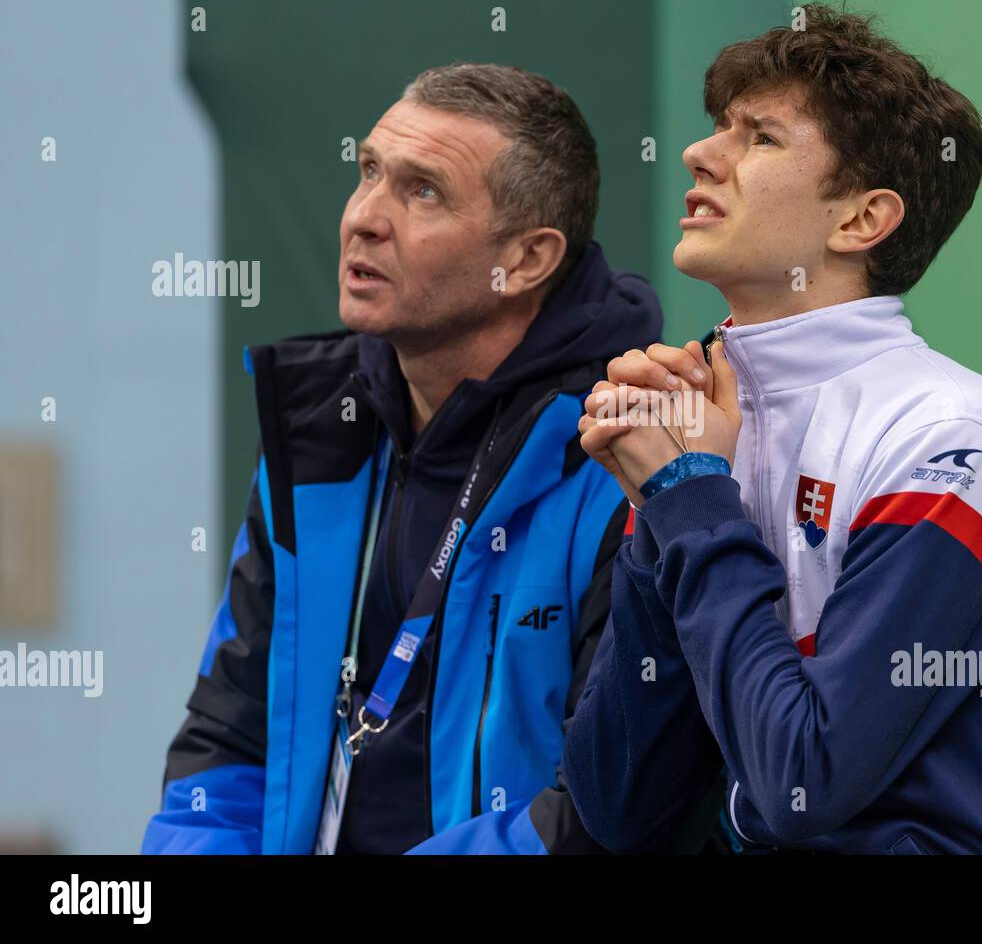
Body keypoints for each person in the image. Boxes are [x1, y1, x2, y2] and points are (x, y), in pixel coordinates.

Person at [567, 4, 982, 854]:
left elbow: (803, 781)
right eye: (716, 128)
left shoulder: (949, 435)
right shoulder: (706, 419)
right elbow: (619, 805)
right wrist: (658, 512)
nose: (702, 154)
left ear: (861, 219)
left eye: (760, 137)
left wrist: (690, 500)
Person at [141, 63, 662, 854]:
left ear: (524, 261)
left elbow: (607, 815)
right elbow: (229, 737)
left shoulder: (630, 450)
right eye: (370, 172)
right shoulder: (317, 427)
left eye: (423, 192)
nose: (363, 218)